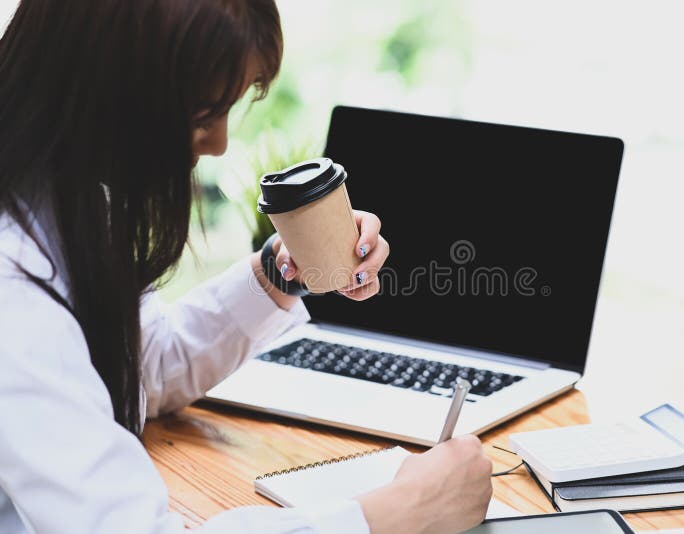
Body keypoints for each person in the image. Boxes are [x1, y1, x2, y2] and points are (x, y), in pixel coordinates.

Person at [0, 0, 494, 533]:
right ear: (106, 89)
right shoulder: (13, 293)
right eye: (201, 115)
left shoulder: (62, 198)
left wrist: (282, 273)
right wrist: (397, 513)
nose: (218, 143)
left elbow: (144, 370)